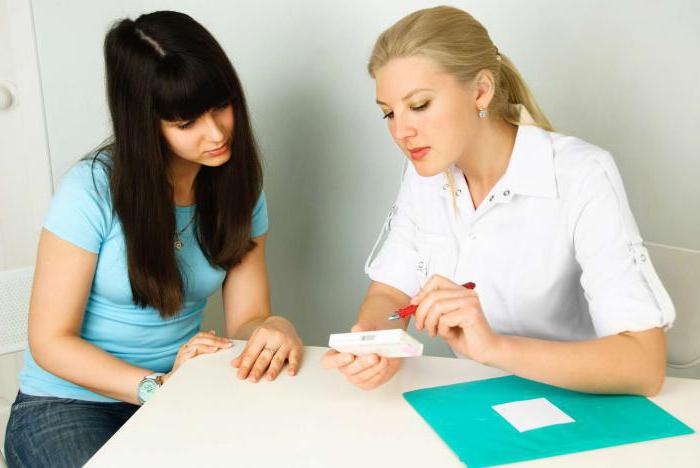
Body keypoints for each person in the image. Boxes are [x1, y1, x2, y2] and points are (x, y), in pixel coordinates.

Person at [323, 6, 673, 396]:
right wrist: (375, 344)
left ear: (481, 90)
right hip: (481, 403)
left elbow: (644, 365)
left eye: (419, 105)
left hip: (584, 407)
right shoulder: (426, 172)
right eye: (388, 113)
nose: (402, 131)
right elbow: (389, 294)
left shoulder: (582, 174)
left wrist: (493, 348)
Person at [4, 11, 302, 467]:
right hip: (65, 405)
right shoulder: (90, 191)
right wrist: (154, 387)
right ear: (146, 124)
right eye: (186, 123)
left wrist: (272, 328)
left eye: (220, 105)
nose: (217, 132)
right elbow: (49, 341)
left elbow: (248, 318)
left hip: (181, 391)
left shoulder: (238, 187)